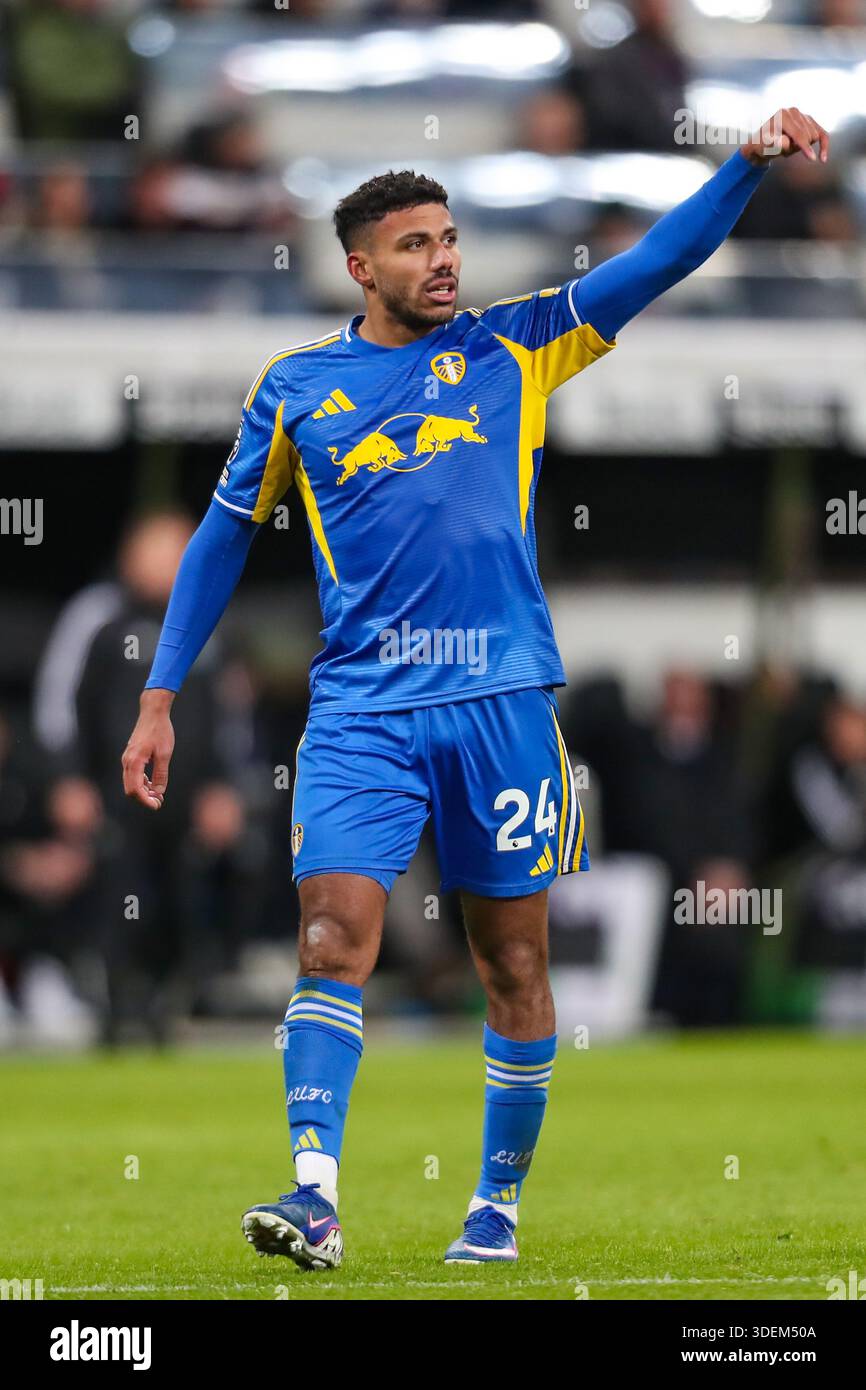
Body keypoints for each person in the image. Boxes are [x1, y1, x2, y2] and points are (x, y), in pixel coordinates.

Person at [121, 107, 828, 1269]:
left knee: (512, 961)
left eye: (448, 238)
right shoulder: (297, 386)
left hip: (501, 705)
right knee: (327, 934)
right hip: (358, 710)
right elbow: (217, 537)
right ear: (359, 266)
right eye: (414, 244)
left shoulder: (516, 346)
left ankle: (493, 1207)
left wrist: (740, 166)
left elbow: (659, 262)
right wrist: (159, 695)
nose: (441, 257)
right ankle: (313, 1197)